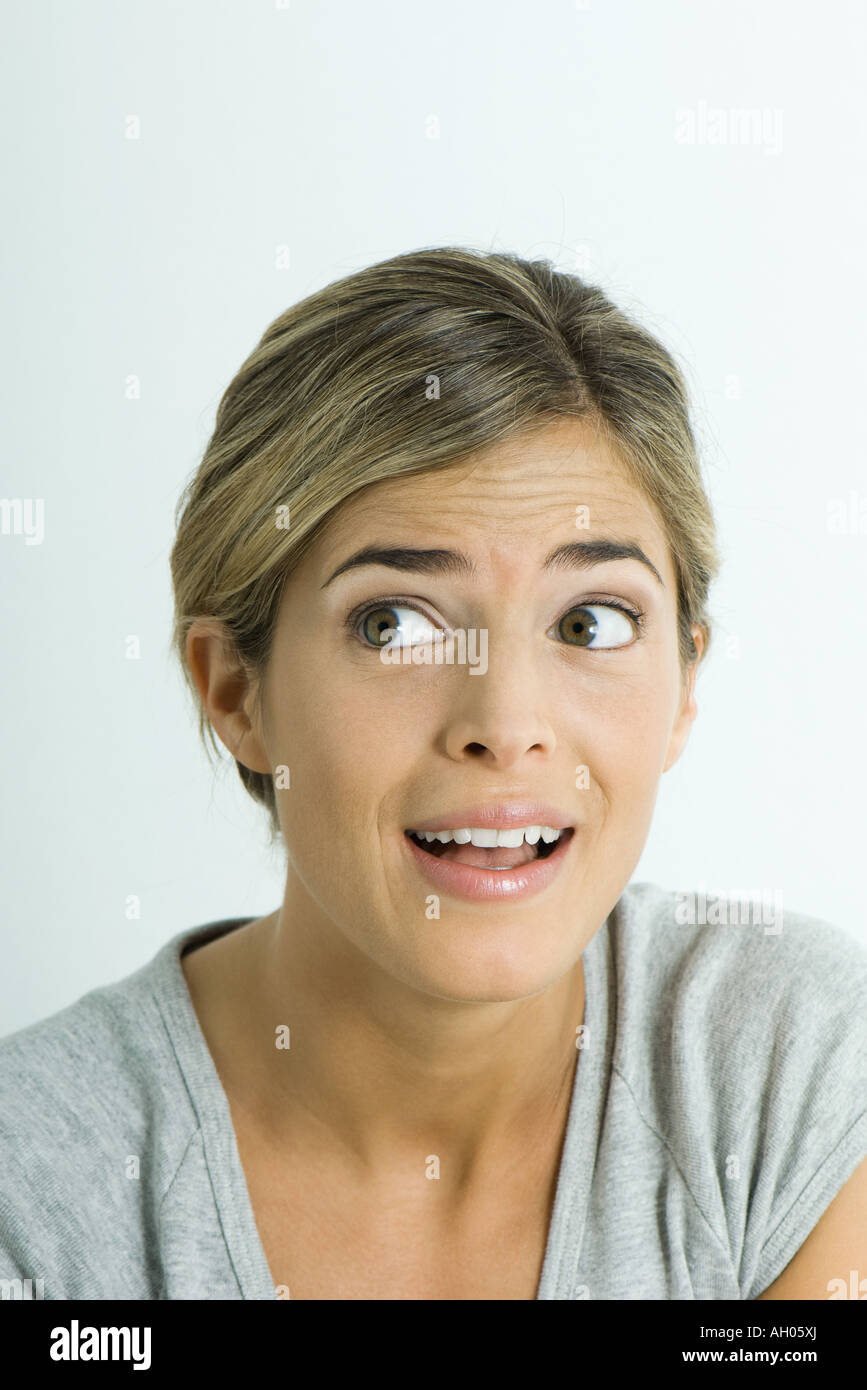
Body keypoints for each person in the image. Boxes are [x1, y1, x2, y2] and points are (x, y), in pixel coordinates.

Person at [2, 247, 866, 1300]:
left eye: (591, 621)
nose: (506, 726)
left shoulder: (792, 1072)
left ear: (686, 680)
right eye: (394, 623)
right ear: (235, 691)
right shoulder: (37, 1191)